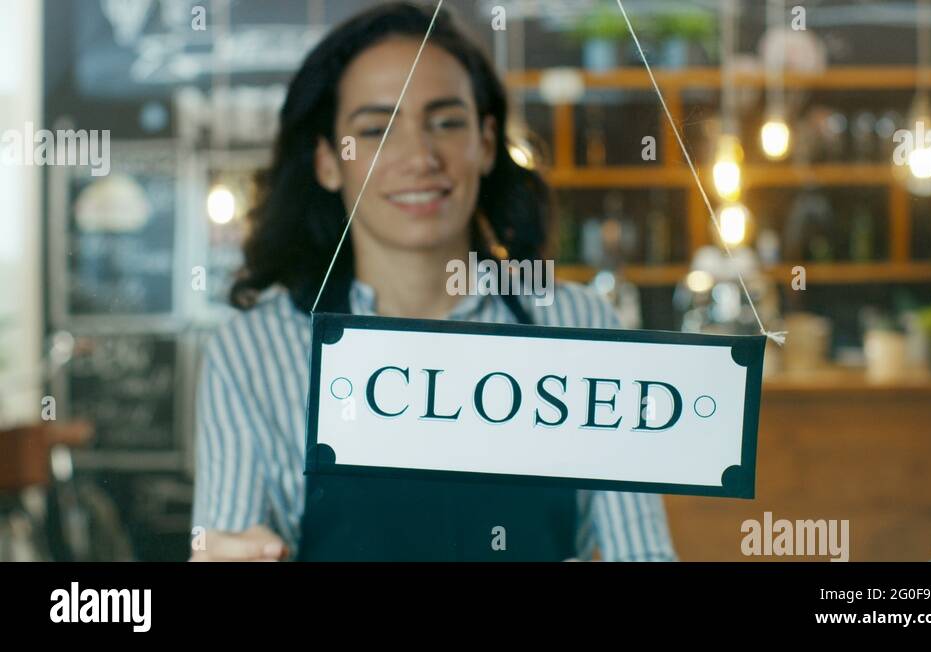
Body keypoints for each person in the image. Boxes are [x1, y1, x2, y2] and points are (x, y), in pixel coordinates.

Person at [190, 1, 676, 561]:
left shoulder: (579, 326)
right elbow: (229, 543)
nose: (420, 157)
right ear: (327, 160)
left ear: (487, 143)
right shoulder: (252, 351)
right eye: (375, 129)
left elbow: (642, 555)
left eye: (446, 122)